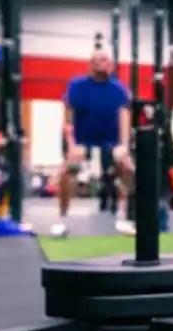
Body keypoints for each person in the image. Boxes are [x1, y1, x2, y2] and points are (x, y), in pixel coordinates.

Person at [53, 50, 134, 237]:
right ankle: (62, 219)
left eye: (107, 60)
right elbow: (68, 120)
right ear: (91, 64)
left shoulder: (119, 90)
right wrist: (72, 144)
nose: (104, 63)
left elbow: (125, 119)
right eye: (100, 60)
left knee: (129, 170)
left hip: (111, 143)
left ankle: (126, 218)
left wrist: (124, 147)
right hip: (83, 141)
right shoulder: (77, 86)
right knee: (67, 172)